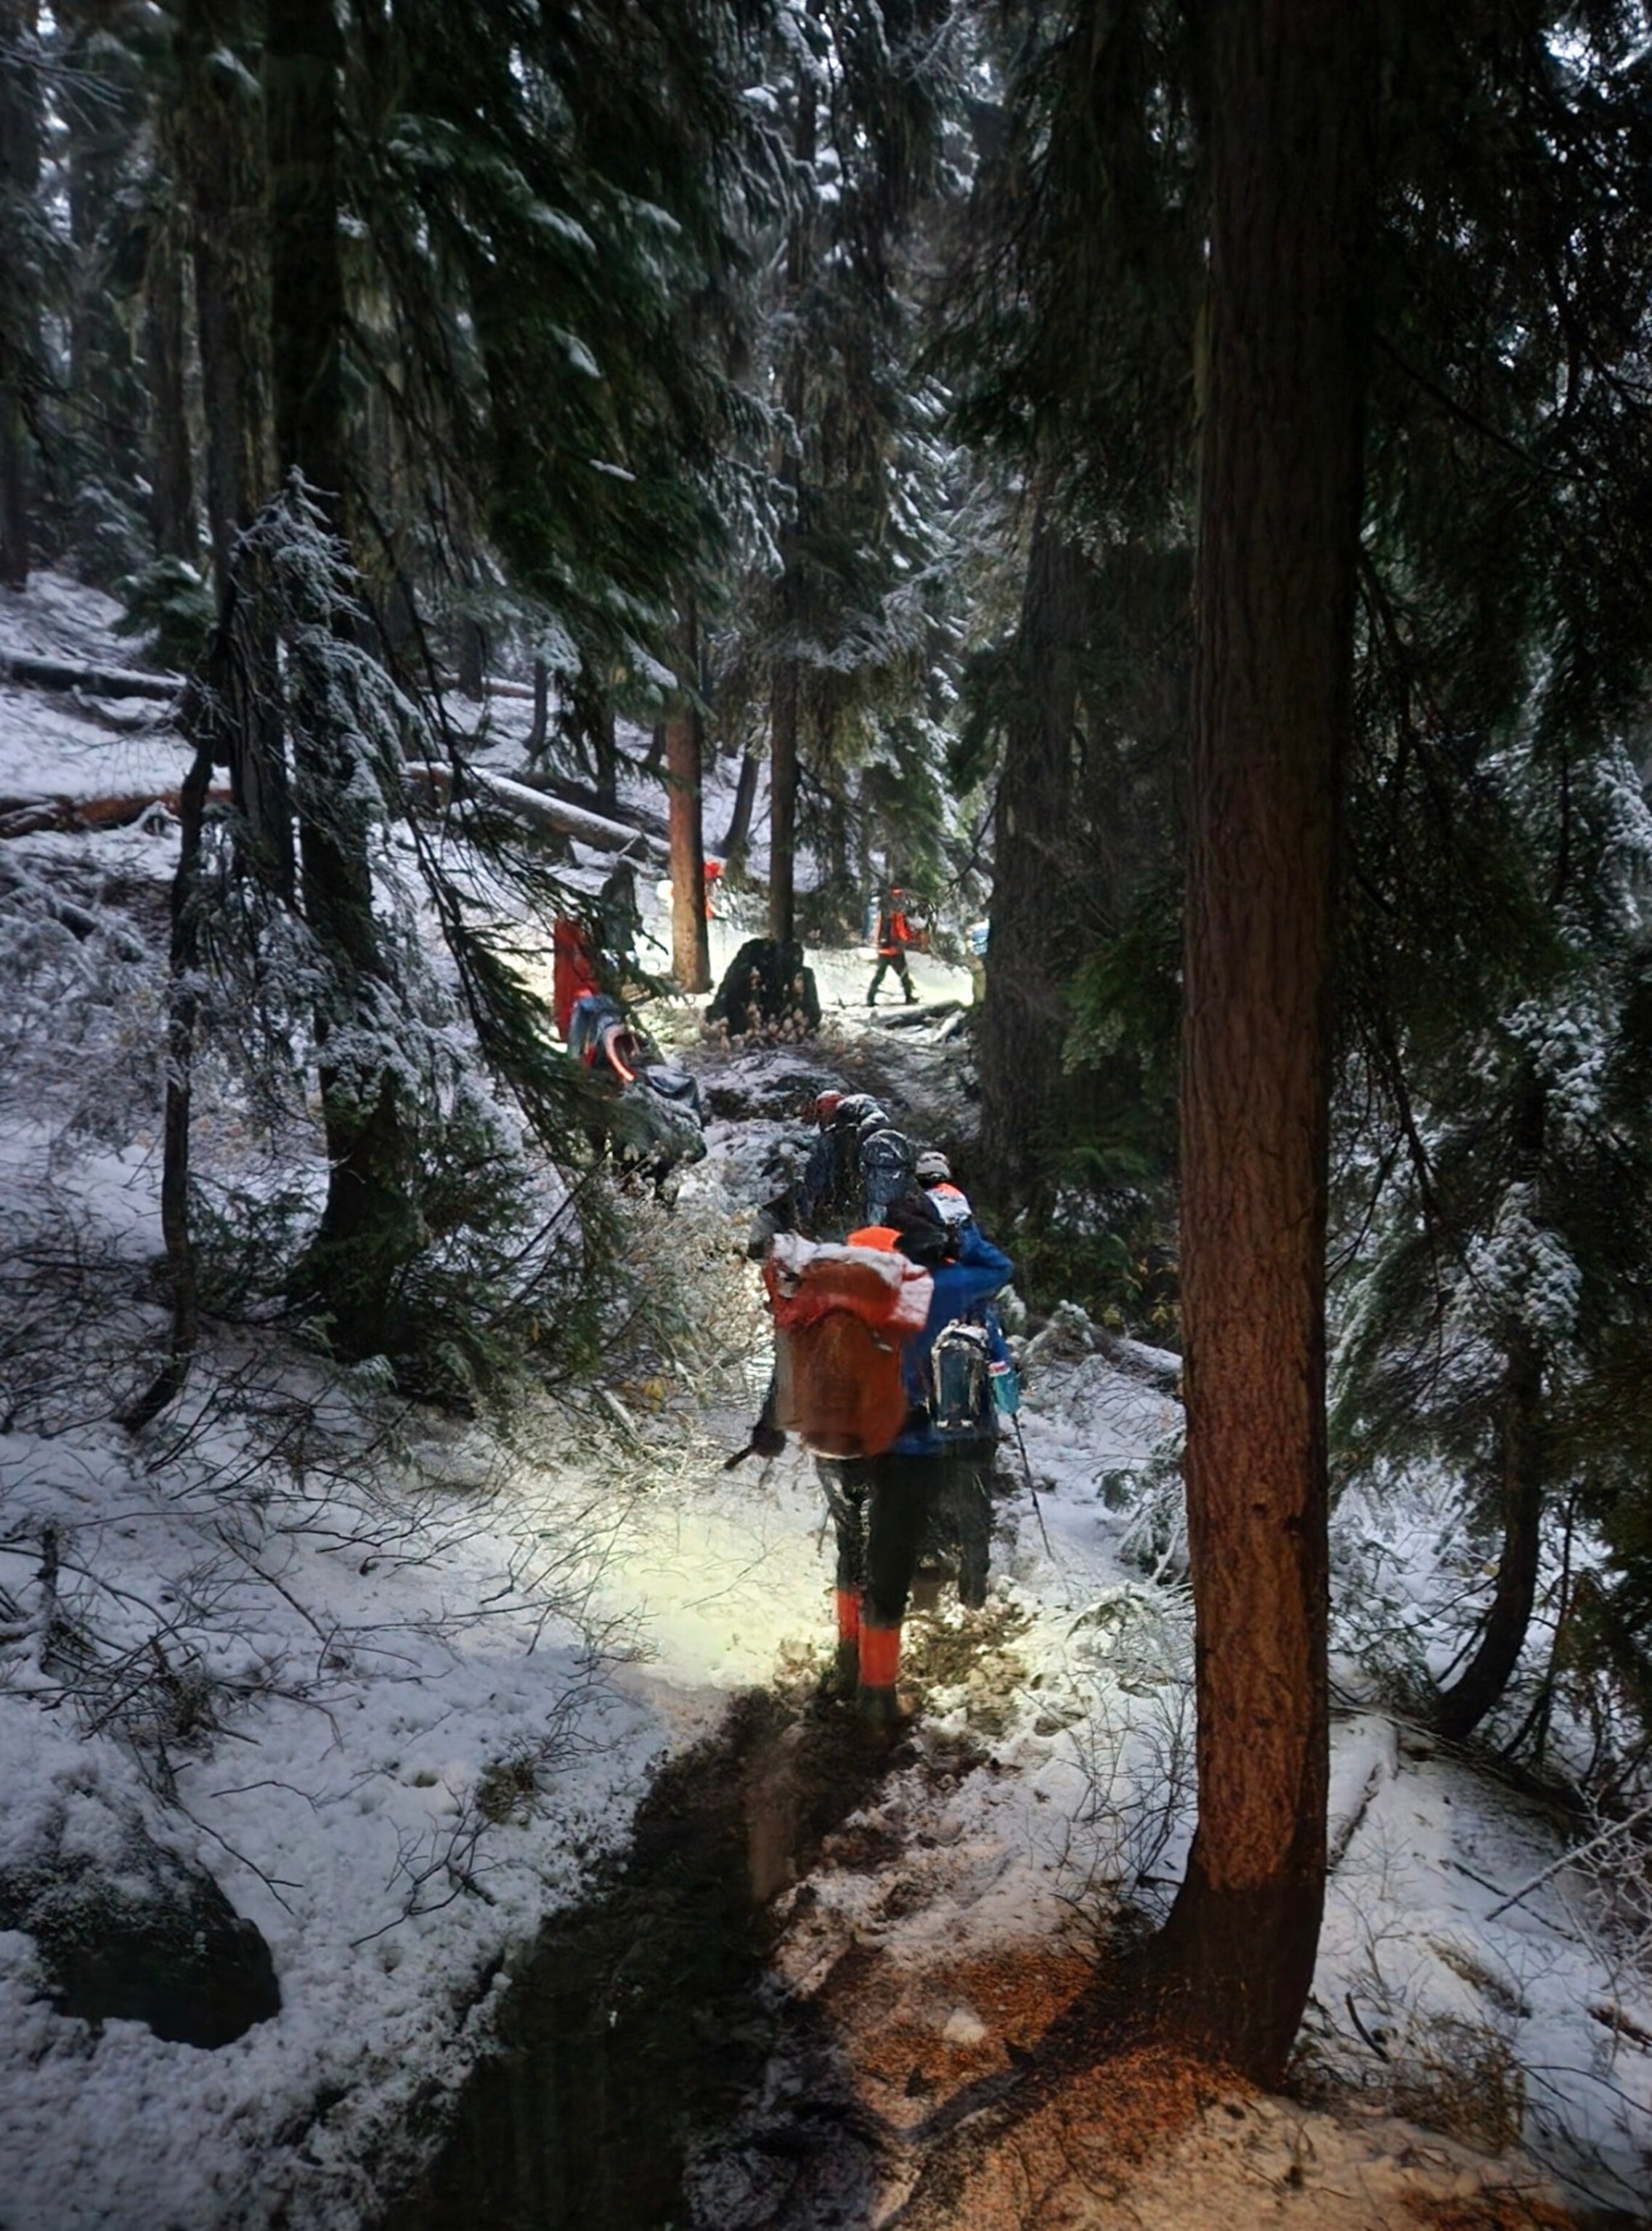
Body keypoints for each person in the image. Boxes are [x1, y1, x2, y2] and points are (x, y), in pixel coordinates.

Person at [827, 1204, 1014, 1732]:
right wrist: (964, 1232)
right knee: (889, 1563)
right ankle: (877, 1695)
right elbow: (999, 1269)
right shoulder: (942, 1287)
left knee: (851, 1548)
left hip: (845, 1442)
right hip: (910, 1448)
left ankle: (846, 1660)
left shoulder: (851, 1283)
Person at [867, 886, 921, 1007]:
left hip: (883, 949)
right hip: (895, 949)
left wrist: (878, 944)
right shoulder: (898, 912)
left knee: (879, 976)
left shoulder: (882, 910)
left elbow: (877, 928)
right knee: (904, 974)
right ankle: (909, 997)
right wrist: (910, 938)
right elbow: (901, 930)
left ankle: (870, 998)